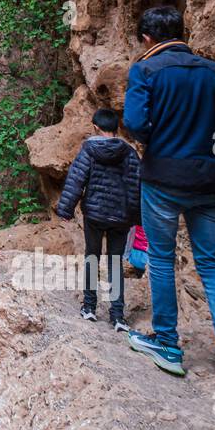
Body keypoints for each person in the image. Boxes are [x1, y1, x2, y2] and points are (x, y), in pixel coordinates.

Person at [122, 5, 215, 396]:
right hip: (210, 182)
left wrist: (165, 138)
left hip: (163, 180)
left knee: (161, 258)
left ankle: (168, 346)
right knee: (211, 265)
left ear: (147, 39)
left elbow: (135, 123)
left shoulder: (145, 70)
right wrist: (213, 136)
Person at [55, 107, 141, 332]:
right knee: (115, 263)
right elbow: (136, 188)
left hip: (94, 214)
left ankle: (90, 307)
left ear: (95, 127)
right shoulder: (130, 153)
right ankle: (117, 316)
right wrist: (136, 217)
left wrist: (65, 209)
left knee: (92, 257)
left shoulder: (89, 150)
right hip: (120, 218)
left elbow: (76, 179)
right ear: (117, 128)